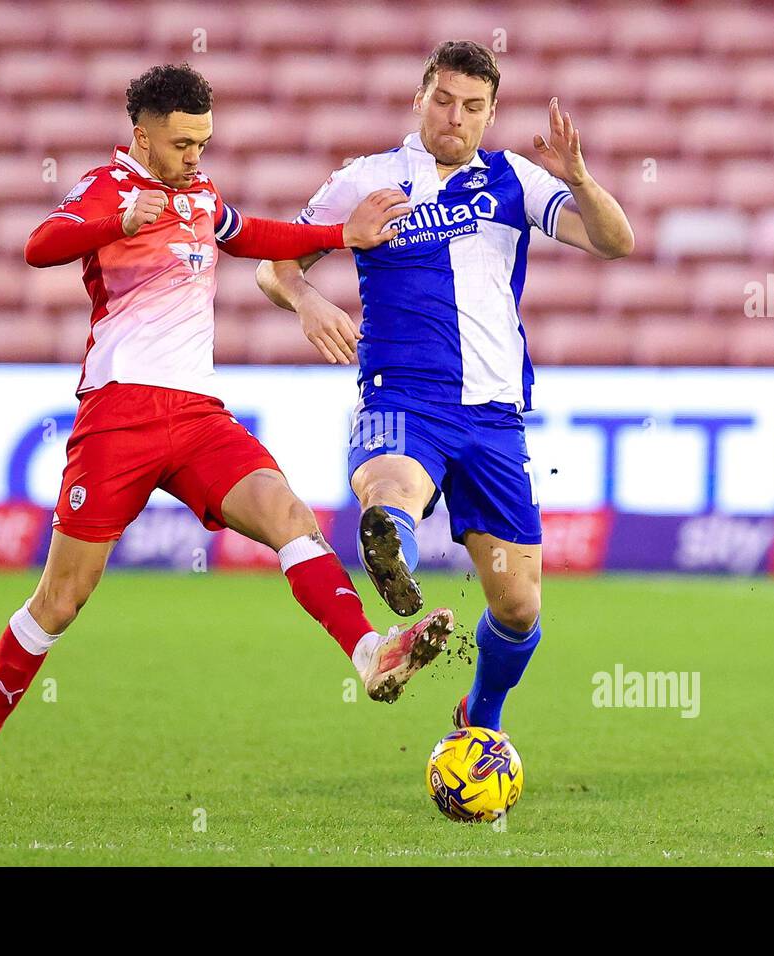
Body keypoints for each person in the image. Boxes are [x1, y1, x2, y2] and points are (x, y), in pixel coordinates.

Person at [0, 63, 452, 815]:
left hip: (198, 415)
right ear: (141, 134)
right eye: (181, 144)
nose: (195, 156)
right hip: (119, 416)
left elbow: (255, 236)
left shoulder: (201, 195)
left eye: (203, 142)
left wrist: (341, 234)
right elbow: (41, 245)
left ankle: (371, 654)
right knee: (62, 600)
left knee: (289, 517)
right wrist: (120, 222)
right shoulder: (109, 187)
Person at [256, 41, 633, 734]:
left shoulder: (516, 179)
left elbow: (615, 241)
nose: (455, 118)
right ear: (419, 99)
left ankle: (479, 714)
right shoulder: (367, 181)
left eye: (472, 106)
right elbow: (275, 266)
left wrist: (578, 178)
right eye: (443, 101)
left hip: (493, 417)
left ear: (490, 115)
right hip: (401, 396)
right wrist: (308, 301)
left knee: (519, 610)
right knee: (392, 487)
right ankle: (390, 545)